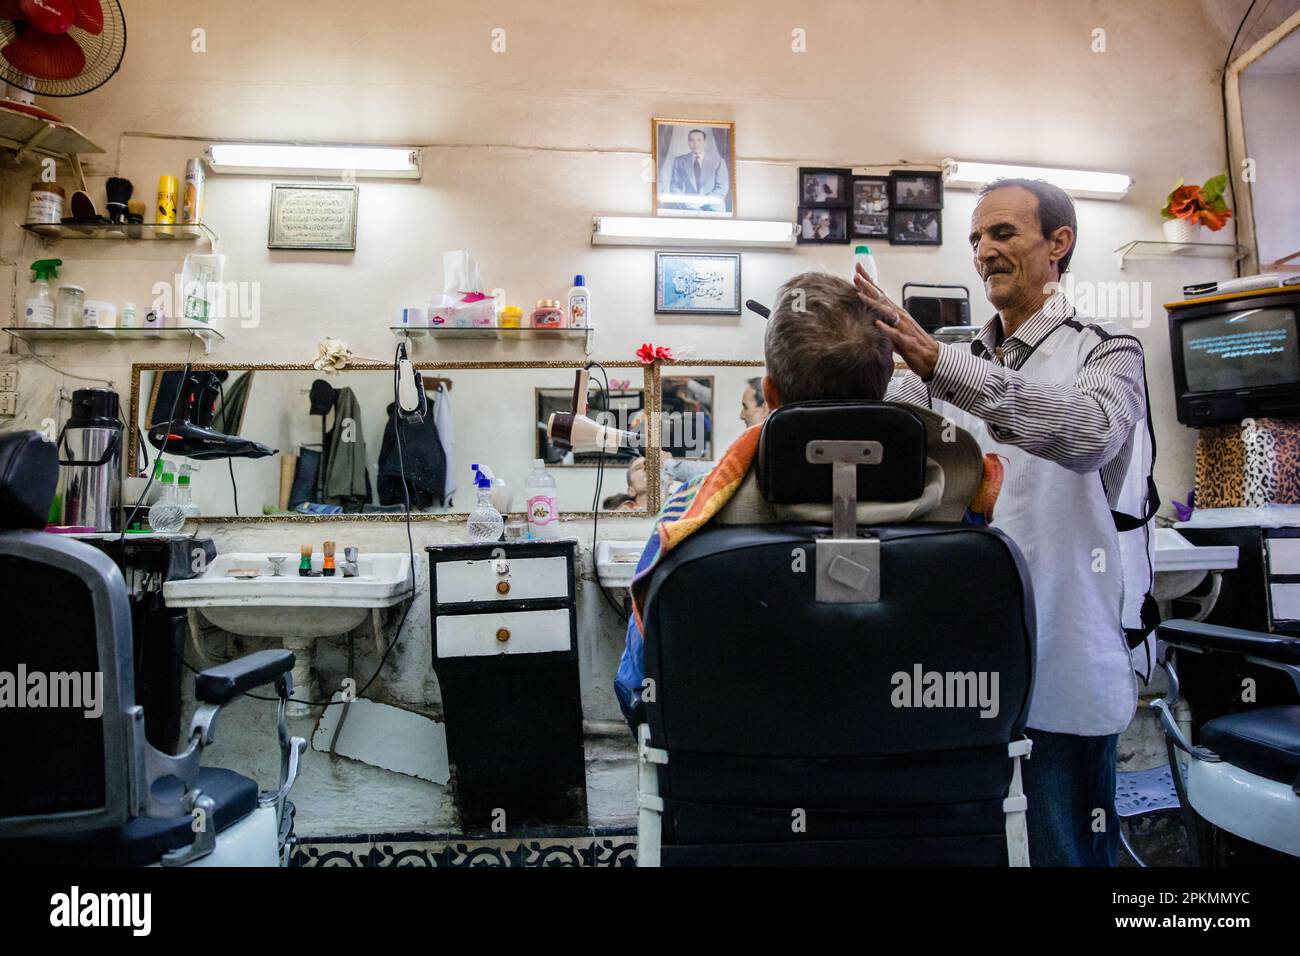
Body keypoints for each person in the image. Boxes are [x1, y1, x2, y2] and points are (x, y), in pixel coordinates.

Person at [859, 177, 1156, 867]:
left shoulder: (1107, 352)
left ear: (1059, 244)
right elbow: (873, 418)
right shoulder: (946, 363)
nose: (984, 252)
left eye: (1002, 234)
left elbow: (1089, 434)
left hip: (1063, 659)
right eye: (975, 240)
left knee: (1064, 853)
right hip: (961, 670)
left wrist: (943, 366)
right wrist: (842, 342)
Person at [614, 272, 1001, 733]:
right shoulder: (964, 514)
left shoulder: (689, 524)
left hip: (736, 786)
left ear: (770, 393)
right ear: (884, 386)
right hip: (927, 784)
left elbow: (638, 690)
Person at [667, 128, 729, 212]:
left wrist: (703, 201)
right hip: (689, 207)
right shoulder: (679, 161)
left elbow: (722, 188)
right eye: (692, 140)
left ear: (704, 142)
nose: (695, 144)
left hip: (713, 208)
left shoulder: (719, 161)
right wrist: (685, 201)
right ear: (688, 142)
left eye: (699, 140)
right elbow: (674, 186)